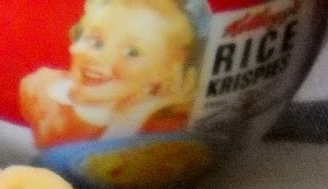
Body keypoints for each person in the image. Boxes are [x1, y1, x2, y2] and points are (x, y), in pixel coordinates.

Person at [19, 0, 200, 147]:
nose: (102, 58)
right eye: (95, 41)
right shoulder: (42, 88)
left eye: (132, 52)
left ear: (163, 73)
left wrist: (132, 115)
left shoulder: (162, 126)